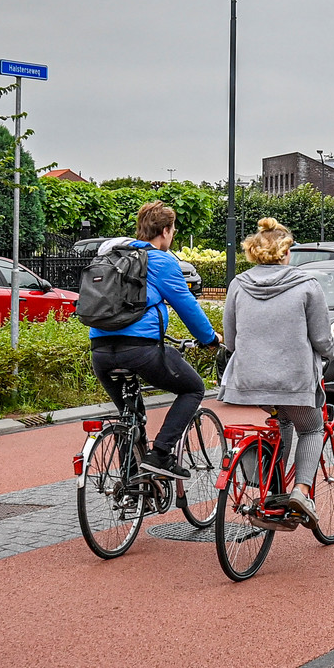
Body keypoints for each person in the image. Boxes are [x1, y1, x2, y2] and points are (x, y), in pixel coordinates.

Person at [218, 217, 334, 523]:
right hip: (293, 381)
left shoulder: (237, 285)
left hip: (249, 381)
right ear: (286, 252)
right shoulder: (307, 285)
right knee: (310, 427)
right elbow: (322, 341)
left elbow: (230, 341)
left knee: (281, 421)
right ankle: (301, 492)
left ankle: (271, 489)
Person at [90, 201, 221, 479]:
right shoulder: (160, 261)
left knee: (129, 414)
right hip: (140, 351)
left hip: (100, 352)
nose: (172, 236)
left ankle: (131, 486)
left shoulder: (112, 258)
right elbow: (188, 307)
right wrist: (210, 338)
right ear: (164, 231)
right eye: (172, 230)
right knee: (193, 389)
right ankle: (161, 455)